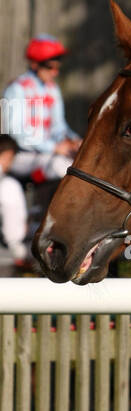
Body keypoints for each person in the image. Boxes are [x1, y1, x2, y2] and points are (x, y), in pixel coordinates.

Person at [2, 35, 81, 182]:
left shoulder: (53, 89)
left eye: (57, 67)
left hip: (47, 155)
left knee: (82, 165)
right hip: (19, 155)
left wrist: (74, 141)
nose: (55, 72)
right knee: (62, 167)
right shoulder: (16, 89)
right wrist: (54, 148)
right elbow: (16, 134)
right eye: (50, 67)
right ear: (34, 64)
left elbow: (59, 127)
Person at [0, 135, 28, 272]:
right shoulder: (9, 185)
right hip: (4, 258)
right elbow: (12, 233)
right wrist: (20, 251)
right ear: (8, 155)